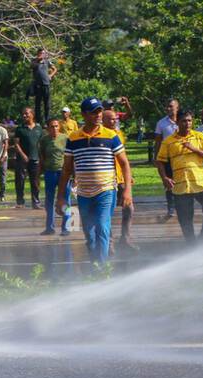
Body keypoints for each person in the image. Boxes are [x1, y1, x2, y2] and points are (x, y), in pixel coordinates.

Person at [57, 97, 130, 264]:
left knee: (102, 228)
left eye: (99, 111)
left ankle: (102, 270)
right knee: (89, 233)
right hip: (83, 192)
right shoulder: (74, 138)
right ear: (84, 114)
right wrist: (60, 197)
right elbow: (67, 169)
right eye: (93, 112)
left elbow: (125, 164)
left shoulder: (111, 136)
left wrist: (127, 191)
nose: (98, 115)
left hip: (106, 190)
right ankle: (94, 263)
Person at [156, 109, 203, 243]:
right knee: (185, 218)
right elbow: (160, 161)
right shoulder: (168, 141)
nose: (187, 123)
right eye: (184, 121)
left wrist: (194, 149)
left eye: (189, 120)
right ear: (177, 122)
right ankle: (191, 245)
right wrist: (164, 178)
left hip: (201, 183)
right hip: (181, 185)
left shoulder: (199, 136)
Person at [102, 109, 135, 248]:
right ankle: (109, 241)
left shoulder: (119, 134)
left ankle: (125, 237)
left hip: (121, 177)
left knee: (129, 207)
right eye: (110, 119)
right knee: (107, 210)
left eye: (115, 119)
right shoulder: (101, 135)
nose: (114, 121)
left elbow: (123, 157)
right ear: (103, 120)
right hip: (107, 178)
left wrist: (129, 175)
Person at [39, 117, 69, 235]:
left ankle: (66, 227)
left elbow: (70, 156)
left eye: (56, 126)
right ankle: (49, 227)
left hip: (63, 172)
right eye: (52, 126)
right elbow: (42, 156)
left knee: (65, 200)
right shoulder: (44, 140)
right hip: (50, 172)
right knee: (49, 200)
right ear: (47, 128)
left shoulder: (65, 138)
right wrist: (39, 172)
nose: (54, 128)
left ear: (59, 127)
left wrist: (73, 174)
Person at [11, 107, 42, 209]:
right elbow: (16, 144)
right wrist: (22, 155)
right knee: (20, 180)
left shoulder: (38, 128)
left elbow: (41, 143)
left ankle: (36, 202)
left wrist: (41, 156)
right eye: (23, 114)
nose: (24, 116)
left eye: (27, 114)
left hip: (35, 158)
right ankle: (20, 202)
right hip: (22, 159)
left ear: (32, 115)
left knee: (35, 181)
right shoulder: (20, 128)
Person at [153, 99, 180, 220]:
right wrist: (156, 157)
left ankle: (182, 207)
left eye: (171, 106)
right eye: (167, 107)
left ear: (177, 108)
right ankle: (171, 209)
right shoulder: (161, 123)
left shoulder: (183, 121)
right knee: (169, 183)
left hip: (181, 157)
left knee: (181, 182)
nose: (168, 109)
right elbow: (158, 142)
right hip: (167, 158)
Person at [31, 48, 57, 125]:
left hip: (46, 84)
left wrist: (50, 75)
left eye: (43, 53)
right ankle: (38, 121)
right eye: (40, 53)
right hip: (38, 85)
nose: (41, 54)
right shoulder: (34, 61)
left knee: (47, 104)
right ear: (37, 53)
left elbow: (55, 69)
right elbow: (31, 66)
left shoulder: (47, 61)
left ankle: (47, 121)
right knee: (37, 104)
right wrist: (37, 60)